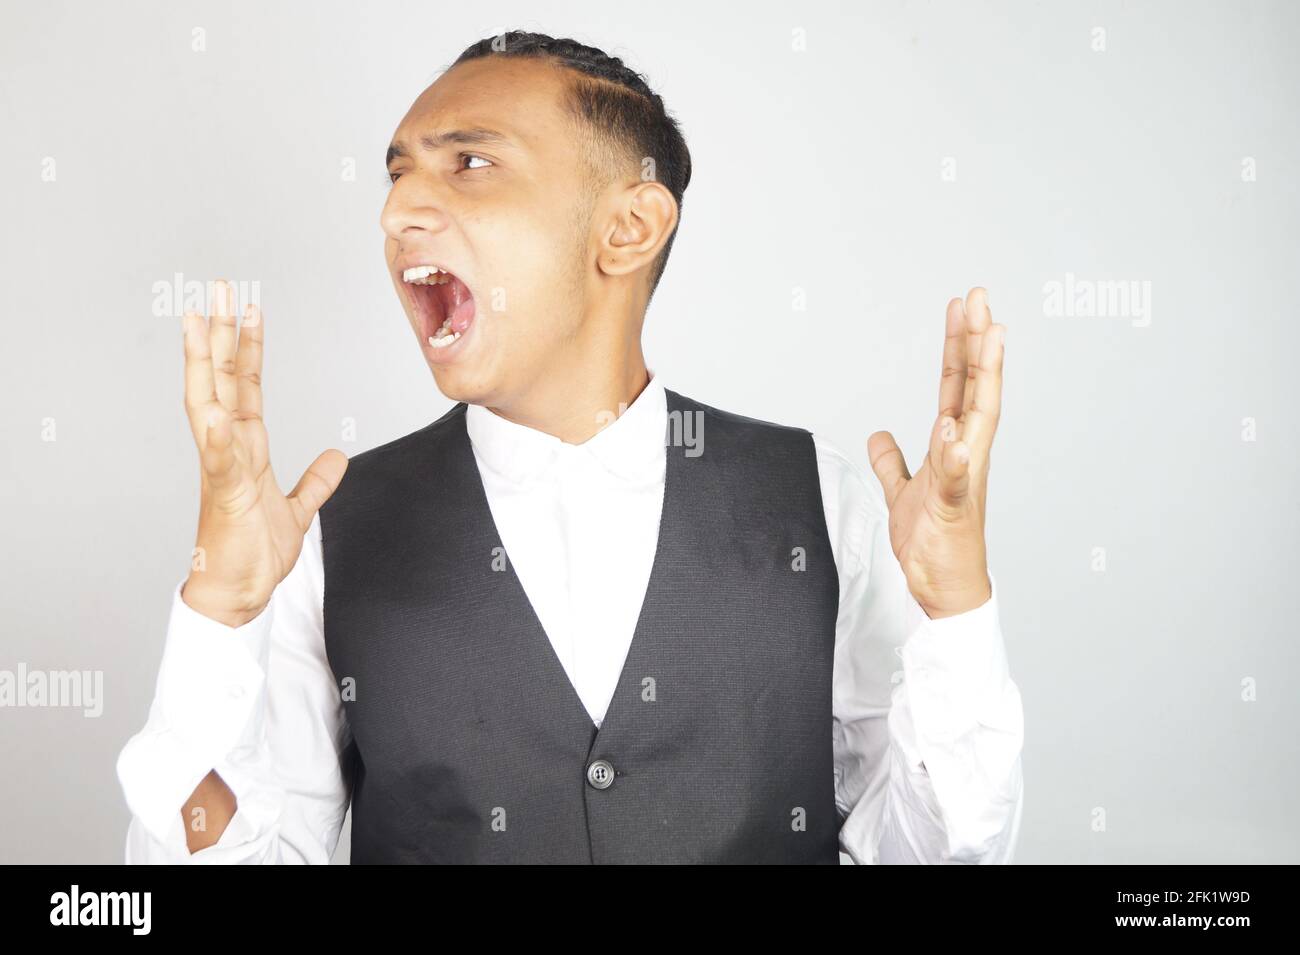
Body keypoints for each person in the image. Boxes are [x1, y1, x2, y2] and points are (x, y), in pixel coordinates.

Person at [117, 31, 1023, 864]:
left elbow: (932, 855)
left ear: (628, 227)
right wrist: (218, 617)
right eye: (396, 176)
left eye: (469, 163)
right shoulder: (325, 532)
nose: (397, 212)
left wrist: (956, 613)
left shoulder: (823, 505)